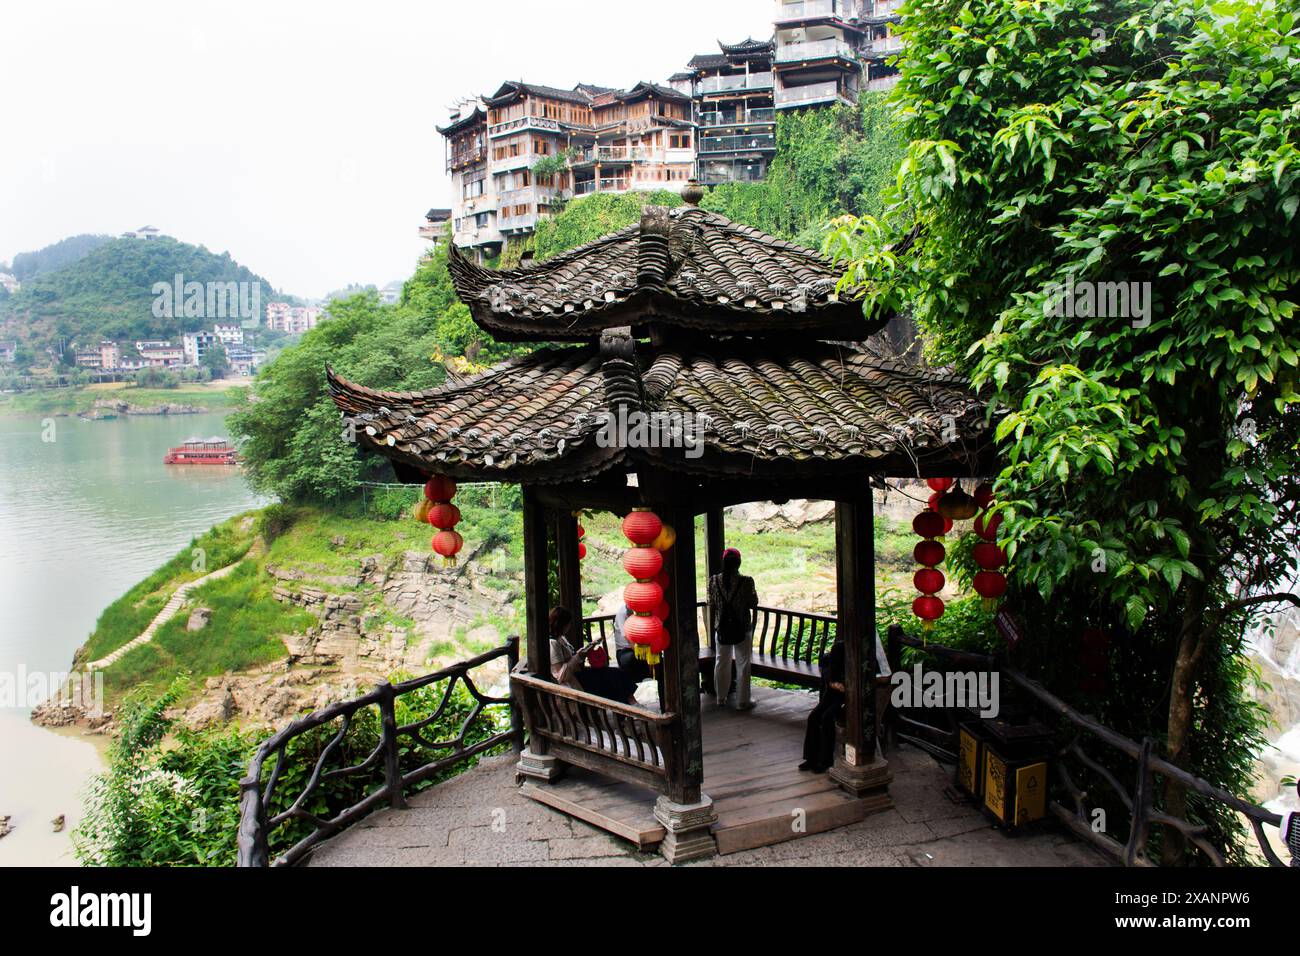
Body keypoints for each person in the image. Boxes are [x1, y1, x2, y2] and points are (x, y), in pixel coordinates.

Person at [548, 606, 638, 704]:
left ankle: (630, 703)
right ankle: (630, 704)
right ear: (562, 625)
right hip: (575, 679)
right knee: (612, 678)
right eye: (568, 625)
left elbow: (572, 658)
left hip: (579, 674)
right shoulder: (553, 643)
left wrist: (586, 650)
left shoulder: (561, 638)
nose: (569, 628)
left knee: (617, 674)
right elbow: (560, 675)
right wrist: (578, 656)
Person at [709, 548, 758, 711]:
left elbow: (711, 603)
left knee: (721, 662)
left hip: (721, 627)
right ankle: (743, 701)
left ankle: (720, 698)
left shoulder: (714, 581)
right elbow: (753, 603)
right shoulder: (747, 581)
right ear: (739, 563)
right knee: (743, 663)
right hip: (742, 627)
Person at [800, 637, 845, 773]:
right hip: (831, 696)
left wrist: (839, 685)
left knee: (827, 718)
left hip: (844, 699)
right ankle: (811, 758)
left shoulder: (849, 663)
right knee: (813, 717)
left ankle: (826, 760)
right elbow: (829, 680)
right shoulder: (828, 661)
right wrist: (834, 684)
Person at [613, 603, 653, 684]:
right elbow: (629, 639)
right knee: (634, 659)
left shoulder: (641, 612)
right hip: (624, 650)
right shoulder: (622, 613)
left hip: (639, 647)